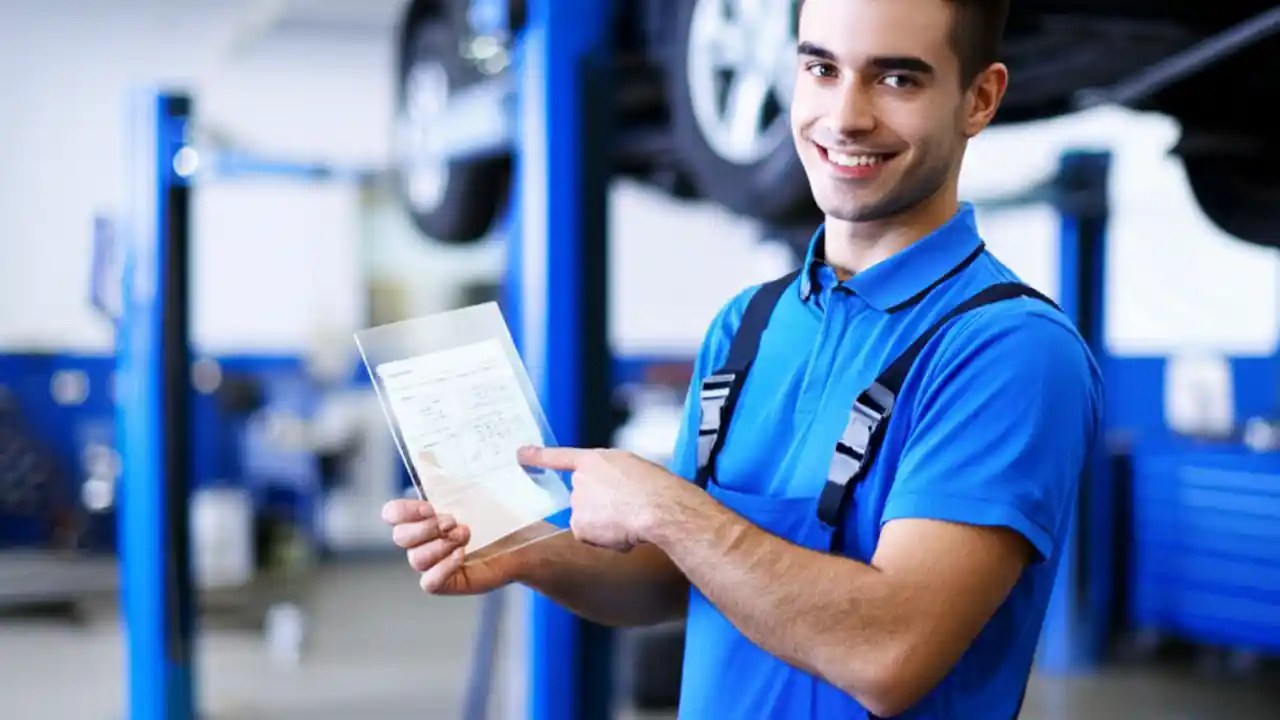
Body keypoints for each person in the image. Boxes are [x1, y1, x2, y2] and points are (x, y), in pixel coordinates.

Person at [382, 0, 1104, 716]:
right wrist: (528, 550)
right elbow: (677, 576)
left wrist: (665, 507)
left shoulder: (1008, 349)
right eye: (821, 68)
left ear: (979, 99)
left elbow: (888, 652)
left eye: (897, 80)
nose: (846, 115)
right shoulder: (749, 325)